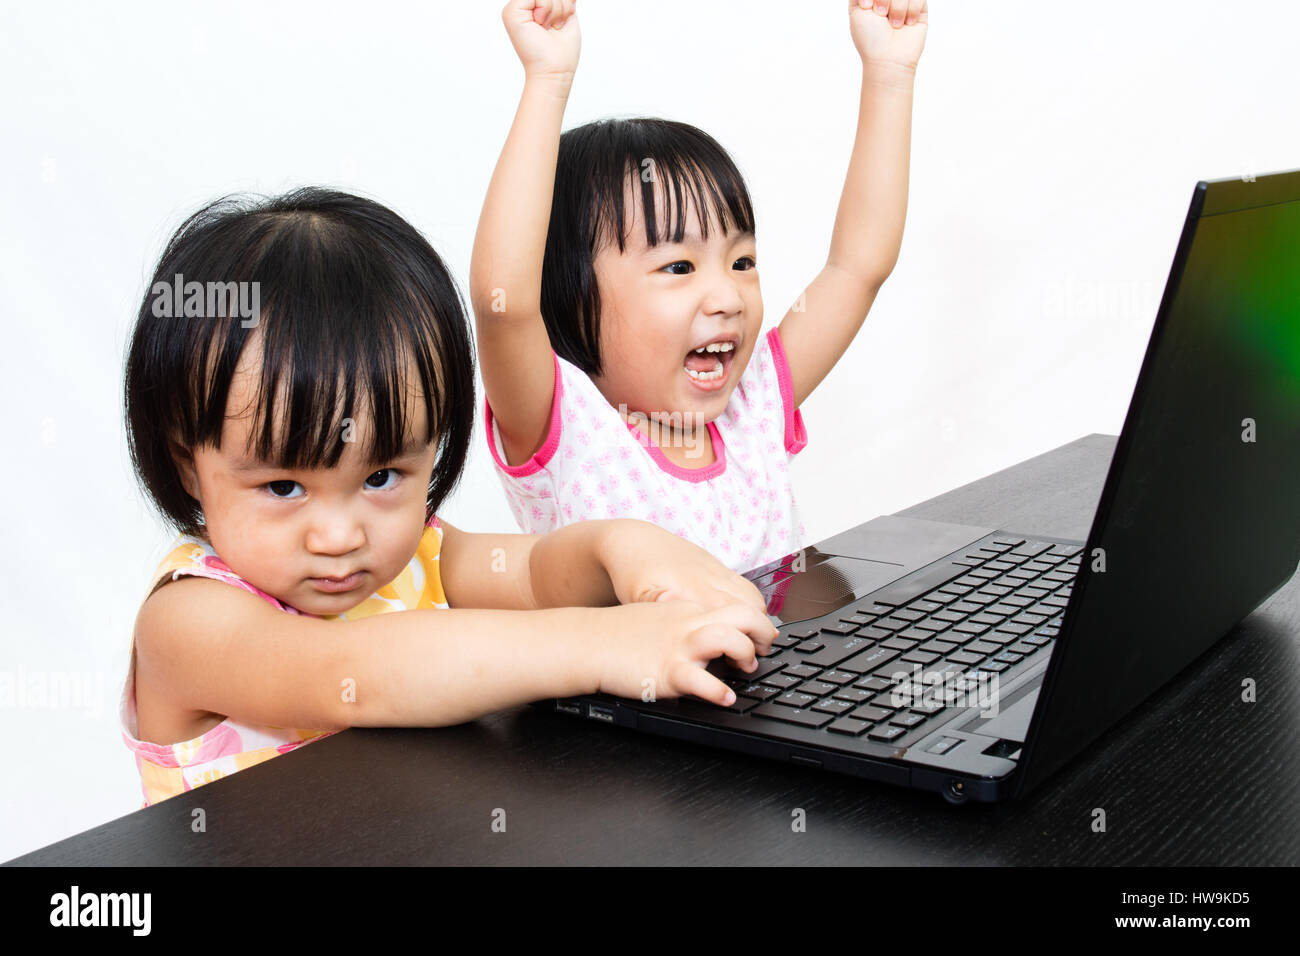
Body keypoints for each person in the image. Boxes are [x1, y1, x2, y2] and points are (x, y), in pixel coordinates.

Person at [120, 187, 775, 806]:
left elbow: (534, 574)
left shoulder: (411, 558)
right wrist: (605, 645)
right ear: (186, 465)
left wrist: (623, 546)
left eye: (381, 477)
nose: (340, 536)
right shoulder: (188, 622)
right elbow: (350, 677)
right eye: (284, 486)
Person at [472, 0, 928, 572]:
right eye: (679, 268)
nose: (728, 297)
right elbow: (504, 306)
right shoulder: (568, 435)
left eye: (741, 262)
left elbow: (857, 268)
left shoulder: (753, 409)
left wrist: (889, 76)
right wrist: (547, 80)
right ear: (568, 289)